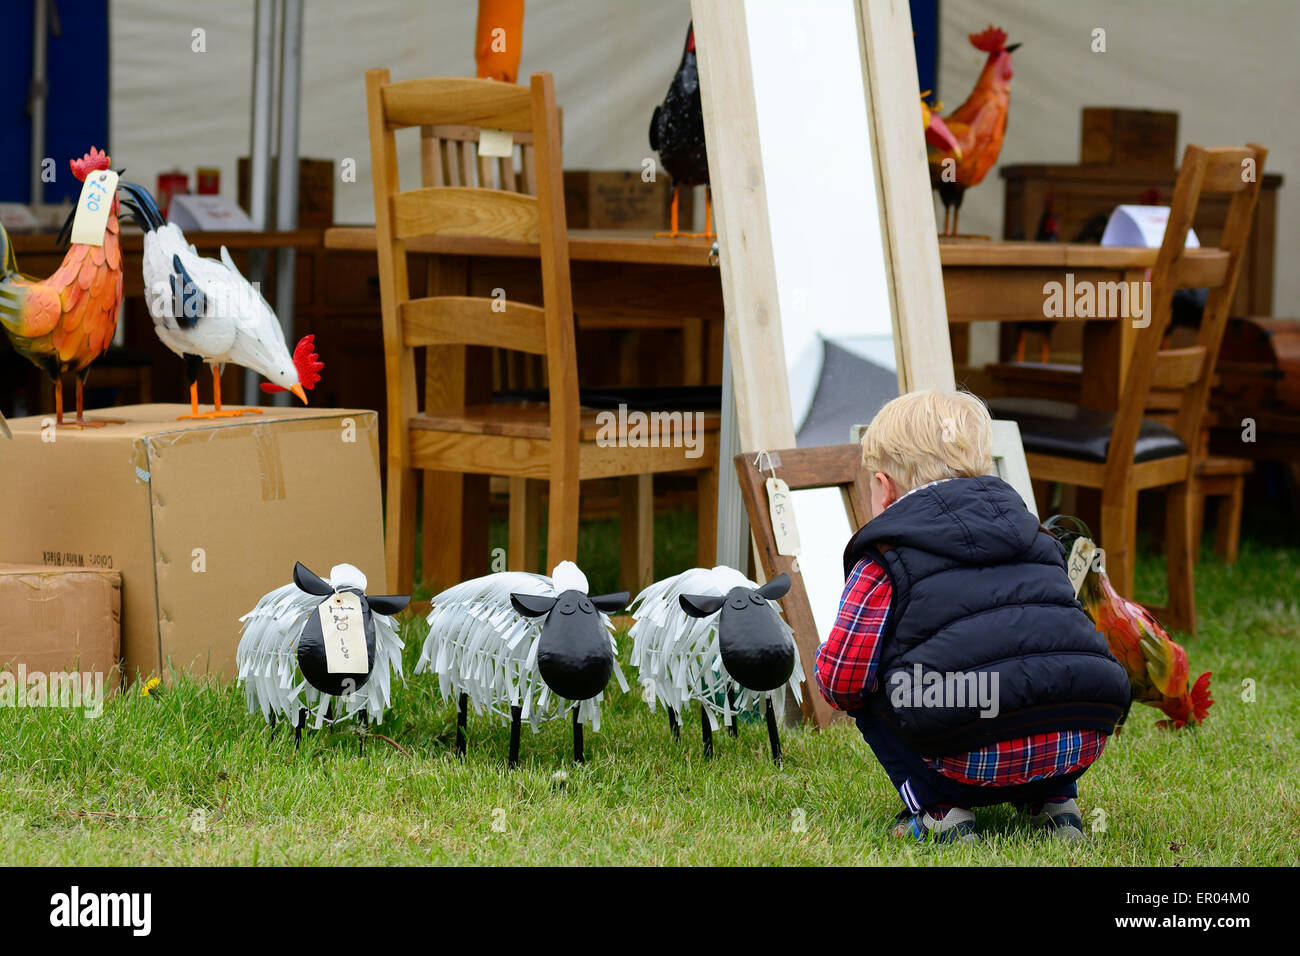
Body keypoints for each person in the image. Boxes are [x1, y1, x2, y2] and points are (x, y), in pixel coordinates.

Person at [816, 390, 1130, 843]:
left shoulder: (883, 559)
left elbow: (844, 681)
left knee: (862, 684)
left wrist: (821, 666)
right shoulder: (1038, 538)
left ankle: (941, 812)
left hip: (964, 755)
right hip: (1080, 734)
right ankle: (1055, 804)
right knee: (1035, 667)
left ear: (884, 488)